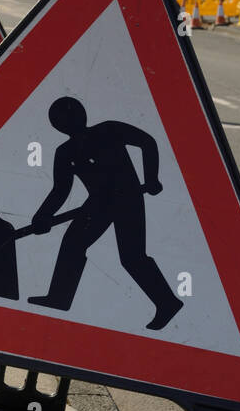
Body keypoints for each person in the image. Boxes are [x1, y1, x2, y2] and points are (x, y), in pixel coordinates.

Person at [27, 95, 184, 331]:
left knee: (132, 257)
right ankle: (59, 298)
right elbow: (60, 190)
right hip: (97, 204)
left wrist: (151, 177)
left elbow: (147, 142)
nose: (68, 121)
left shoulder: (109, 130)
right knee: (72, 244)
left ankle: (168, 302)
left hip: (127, 198)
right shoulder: (65, 152)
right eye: (61, 119)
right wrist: (42, 216)